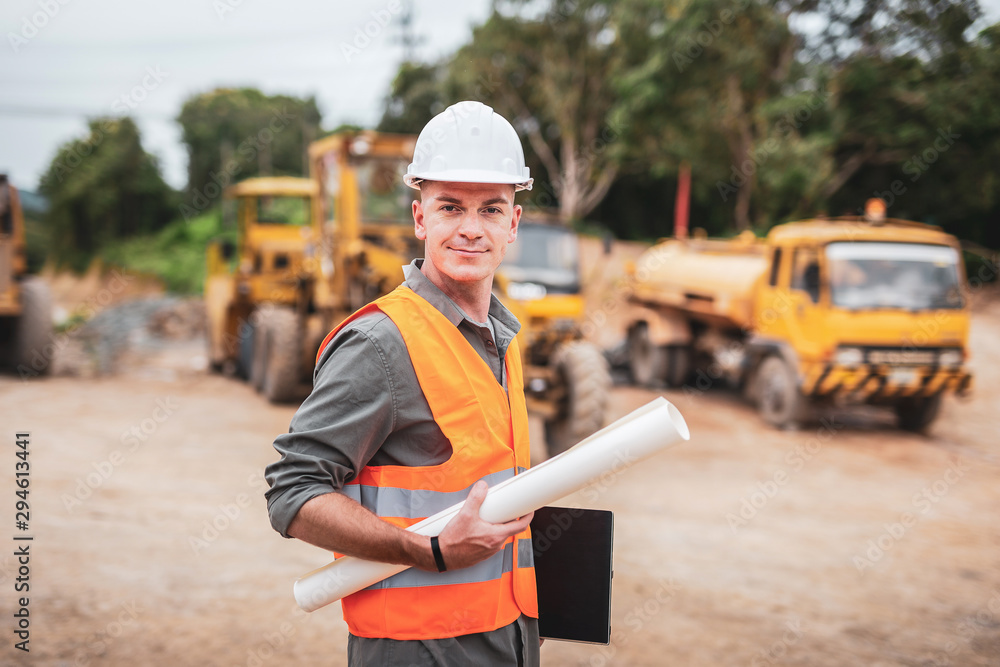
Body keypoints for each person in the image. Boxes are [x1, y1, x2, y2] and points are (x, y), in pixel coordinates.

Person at [264, 101, 541, 666]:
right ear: (420, 218)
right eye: (450, 207)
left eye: (491, 209)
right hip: (418, 651)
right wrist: (427, 550)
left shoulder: (504, 339)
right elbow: (292, 492)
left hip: (507, 640)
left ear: (513, 224)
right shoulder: (379, 343)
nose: (470, 227)